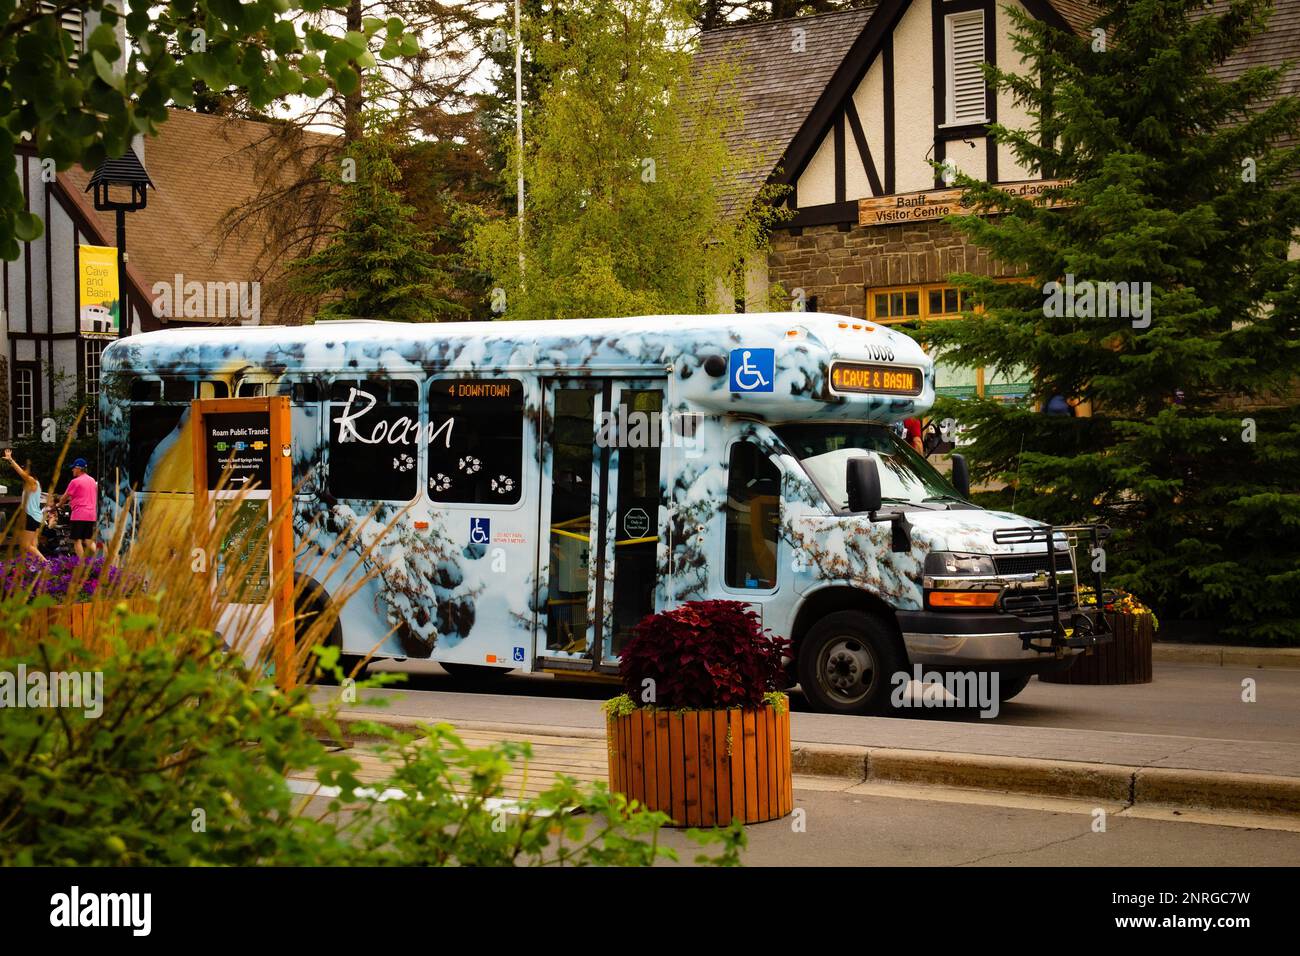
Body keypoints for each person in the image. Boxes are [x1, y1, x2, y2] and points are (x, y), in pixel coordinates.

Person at [4, 448, 44, 561]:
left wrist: (11, 460)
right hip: (36, 517)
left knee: (25, 544)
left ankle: (47, 564)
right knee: (33, 544)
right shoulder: (34, 483)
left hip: (31, 516)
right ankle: (36, 566)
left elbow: (21, 473)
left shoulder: (32, 481)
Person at [57, 457, 98, 558]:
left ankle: (82, 565)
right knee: (88, 540)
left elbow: (65, 497)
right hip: (91, 514)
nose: (72, 470)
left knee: (77, 540)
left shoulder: (75, 481)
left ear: (79, 468)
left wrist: (59, 505)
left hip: (79, 514)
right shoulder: (92, 480)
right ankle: (104, 559)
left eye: (74, 468)